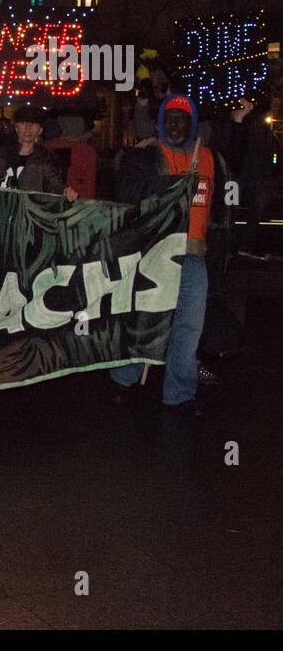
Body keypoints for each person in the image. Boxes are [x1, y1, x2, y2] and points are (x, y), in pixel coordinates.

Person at [110, 95, 216, 416]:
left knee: (188, 329)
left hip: (194, 257)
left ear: (192, 123)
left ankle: (180, 395)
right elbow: (128, 196)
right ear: (161, 121)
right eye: (169, 118)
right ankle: (123, 379)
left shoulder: (209, 158)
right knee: (145, 322)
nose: (175, 124)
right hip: (156, 252)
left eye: (182, 119)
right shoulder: (149, 154)